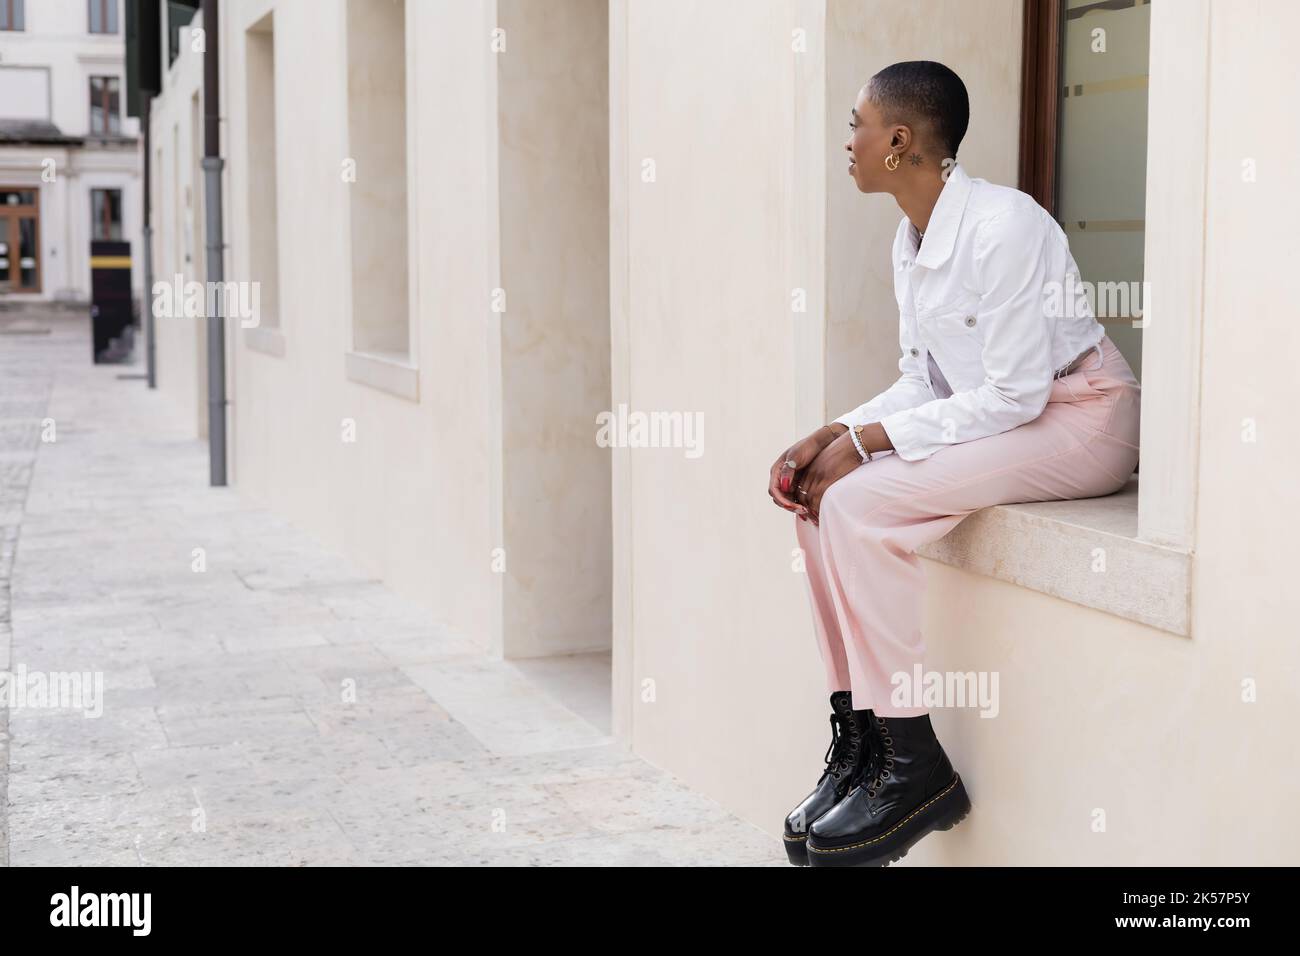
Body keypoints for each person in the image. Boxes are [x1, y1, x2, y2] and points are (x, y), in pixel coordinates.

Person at [770, 61, 1140, 867]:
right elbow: (921, 380)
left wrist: (867, 445)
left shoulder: (1005, 226)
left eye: (858, 123)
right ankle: (863, 743)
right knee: (818, 501)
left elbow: (1013, 396)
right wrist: (832, 431)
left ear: (899, 142)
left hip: (1085, 418)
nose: (850, 139)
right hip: (1025, 415)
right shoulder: (910, 237)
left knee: (862, 505)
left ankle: (914, 764)